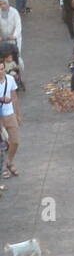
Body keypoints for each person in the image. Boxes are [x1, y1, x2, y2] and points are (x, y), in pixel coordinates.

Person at [0, 45, 16, 177]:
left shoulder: (10, 80)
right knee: (2, 145)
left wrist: (18, 114)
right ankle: (3, 169)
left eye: (2, 69)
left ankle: (9, 162)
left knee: (15, 142)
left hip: (10, 114)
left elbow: (14, 97)